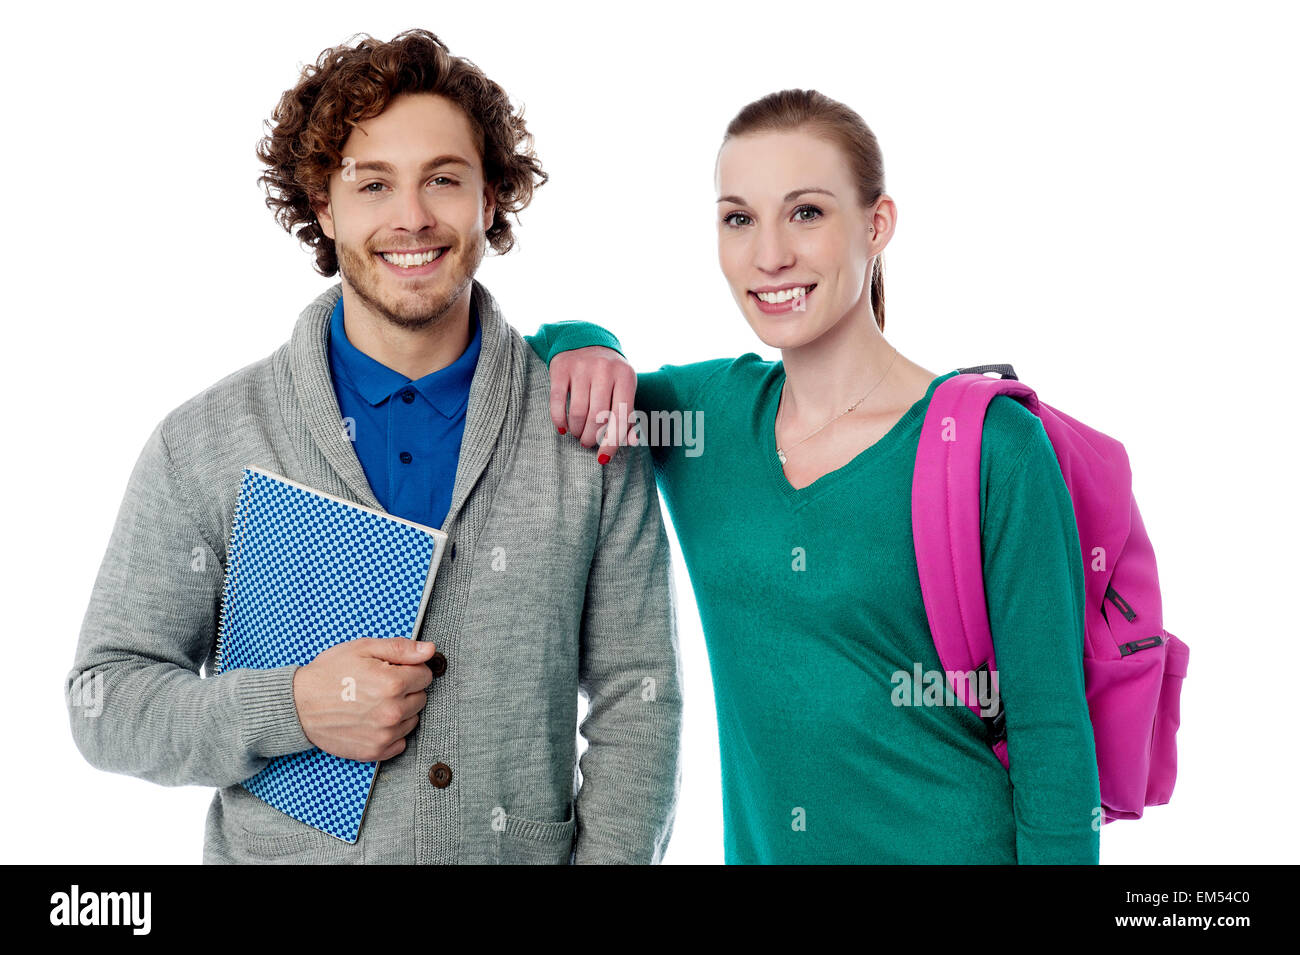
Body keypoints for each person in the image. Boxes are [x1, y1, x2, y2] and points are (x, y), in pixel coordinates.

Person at [64, 29, 681, 865]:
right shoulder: (204, 443)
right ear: (323, 203)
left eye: (444, 179)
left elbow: (638, 703)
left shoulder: (581, 429)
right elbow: (105, 701)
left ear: (490, 199)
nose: (412, 217)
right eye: (373, 183)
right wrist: (292, 706)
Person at [530, 89, 1102, 863]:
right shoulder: (707, 422)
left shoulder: (996, 447)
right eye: (739, 218)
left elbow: (1052, 738)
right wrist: (588, 339)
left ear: (877, 224)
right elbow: (526, 359)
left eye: (806, 213)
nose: (770, 255)